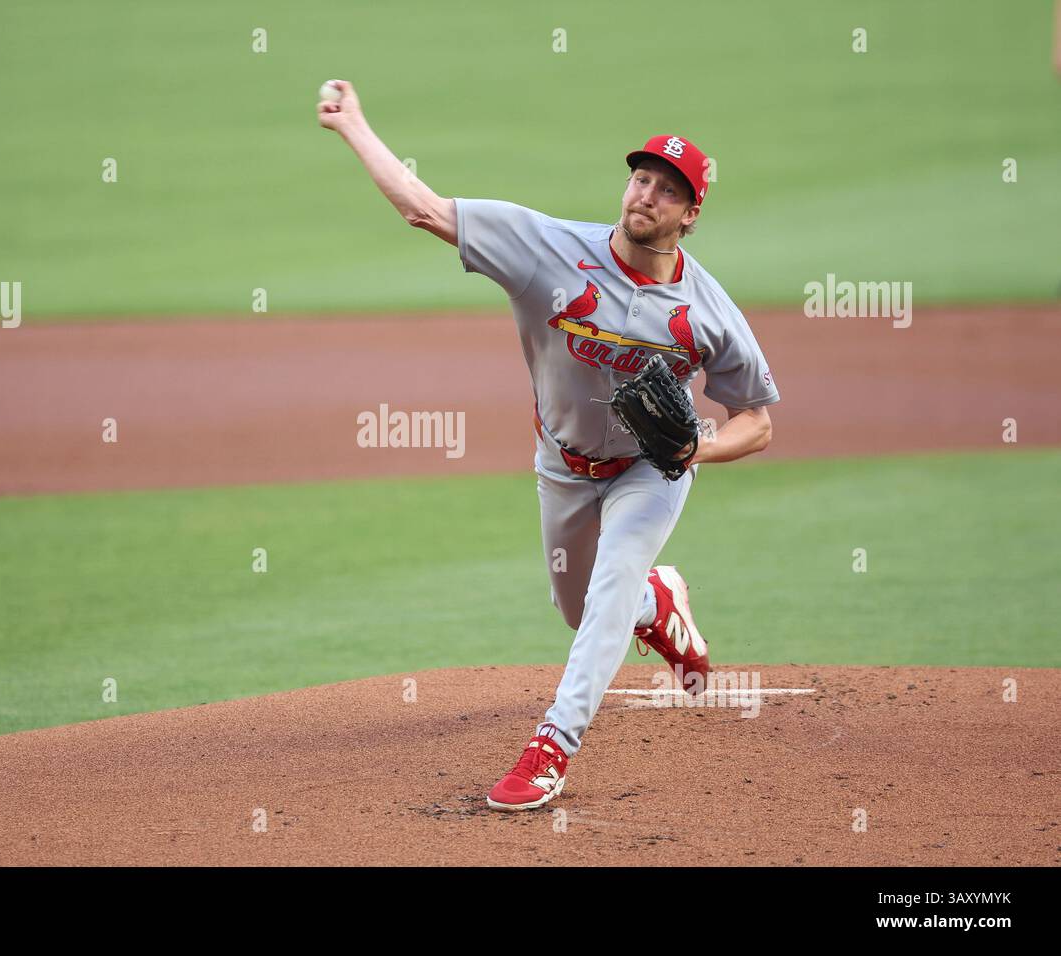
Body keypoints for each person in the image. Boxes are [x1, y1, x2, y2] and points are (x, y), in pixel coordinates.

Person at [318, 80, 779, 811]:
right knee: (580, 606)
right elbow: (423, 209)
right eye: (641, 178)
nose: (645, 196)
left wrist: (696, 452)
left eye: (666, 191)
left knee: (602, 599)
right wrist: (355, 126)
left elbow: (756, 419)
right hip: (561, 466)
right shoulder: (549, 250)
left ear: (690, 215)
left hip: (648, 473)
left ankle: (551, 749)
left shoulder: (708, 312)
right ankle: (659, 603)